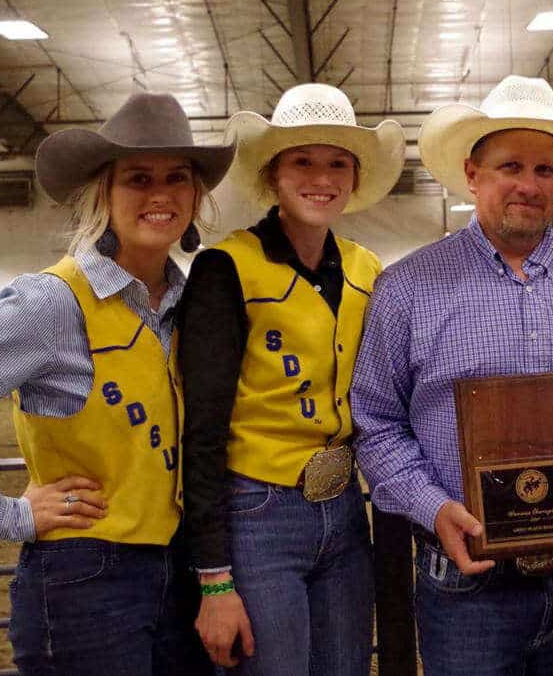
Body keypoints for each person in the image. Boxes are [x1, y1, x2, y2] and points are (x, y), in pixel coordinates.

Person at [351, 75, 553, 675]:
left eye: (544, 170)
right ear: (472, 174)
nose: (529, 185)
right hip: (467, 584)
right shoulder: (407, 288)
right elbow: (376, 424)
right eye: (510, 167)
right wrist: (431, 506)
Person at [0, 93, 234, 675]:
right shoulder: (51, 303)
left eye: (177, 178)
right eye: (138, 178)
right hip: (85, 579)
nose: (160, 194)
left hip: (177, 571)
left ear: (195, 196)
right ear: (102, 193)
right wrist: (9, 517)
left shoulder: (189, 304)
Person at [179, 84, 404, 674]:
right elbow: (201, 425)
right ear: (274, 173)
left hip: (345, 507)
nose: (320, 177)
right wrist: (212, 577)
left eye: (337, 163)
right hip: (257, 510)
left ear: (353, 178)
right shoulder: (226, 266)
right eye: (302, 160)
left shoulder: (366, 268)